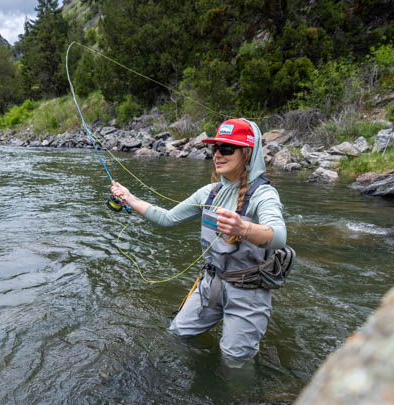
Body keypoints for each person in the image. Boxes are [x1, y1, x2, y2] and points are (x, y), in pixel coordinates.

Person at [109, 118, 287, 366]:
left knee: (234, 361)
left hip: (248, 293)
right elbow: (167, 218)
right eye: (216, 148)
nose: (218, 155)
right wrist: (129, 198)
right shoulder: (210, 192)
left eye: (227, 148)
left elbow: (278, 236)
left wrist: (243, 228)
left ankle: (246, 404)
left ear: (247, 154)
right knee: (177, 334)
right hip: (210, 286)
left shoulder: (264, 194)